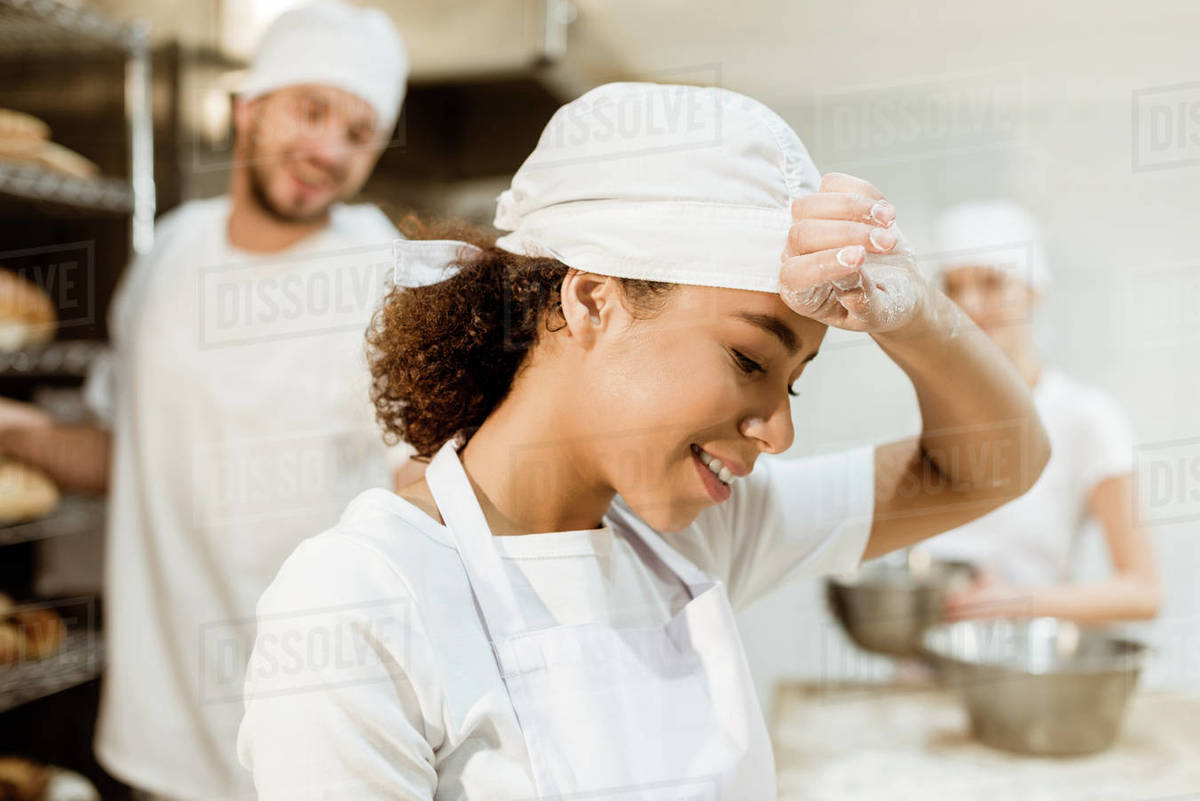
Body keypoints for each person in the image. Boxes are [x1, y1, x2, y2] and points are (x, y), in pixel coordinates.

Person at [237, 83, 1050, 800]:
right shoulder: (363, 598)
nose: (781, 427)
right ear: (592, 300)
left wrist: (914, 312)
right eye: (749, 359)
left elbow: (997, 463)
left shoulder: (694, 532)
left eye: (793, 381)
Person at [0, 3, 412, 799]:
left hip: (319, 736)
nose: (328, 148)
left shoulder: (386, 274)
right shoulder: (174, 251)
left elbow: (429, 490)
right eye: (312, 110)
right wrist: (16, 429)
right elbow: (129, 452)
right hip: (162, 730)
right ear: (248, 108)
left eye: (359, 132)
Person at [916, 200, 1160, 623]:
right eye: (954, 287)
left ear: (1035, 291)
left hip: (1021, 676)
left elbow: (1143, 591)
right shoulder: (933, 412)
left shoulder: (1086, 417)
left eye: (992, 282)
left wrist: (1019, 603)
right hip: (922, 675)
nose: (970, 304)